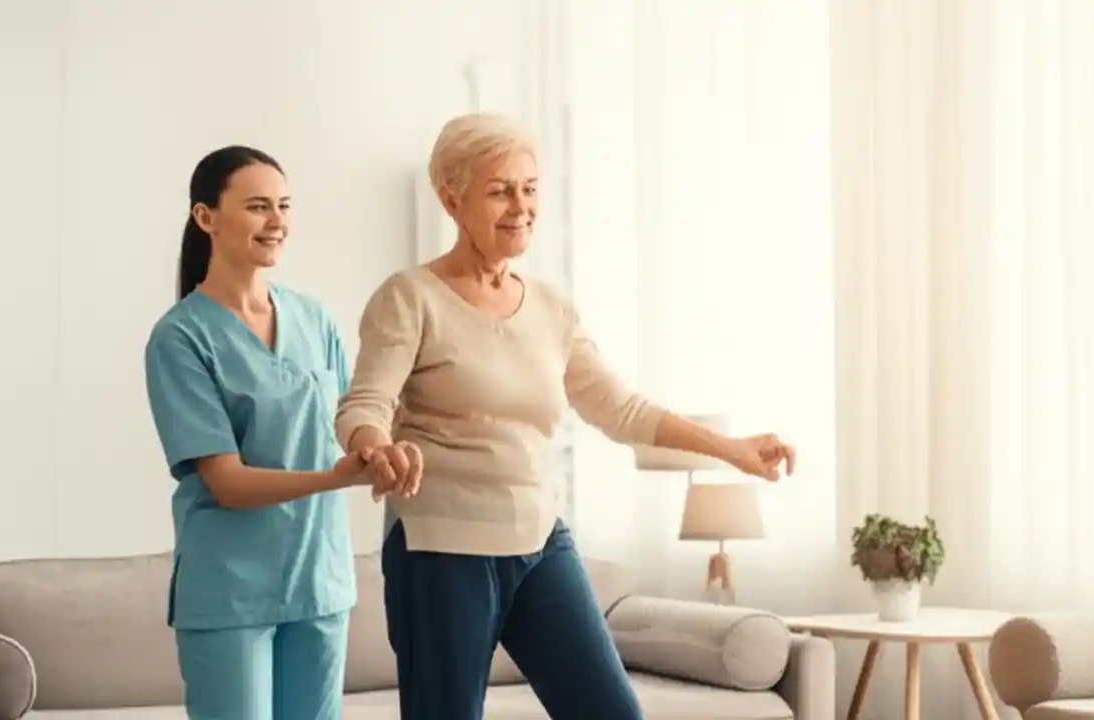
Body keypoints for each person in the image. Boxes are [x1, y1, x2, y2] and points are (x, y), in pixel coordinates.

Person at [334, 113, 798, 720]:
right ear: (452, 198)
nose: (520, 206)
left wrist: (730, 448)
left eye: (529, 188)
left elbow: (621, 408)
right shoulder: (411, 297)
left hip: (538, 542)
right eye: (500, 190)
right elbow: (366, 402)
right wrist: (376, 445)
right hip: (440, 549)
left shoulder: (550, 307)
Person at [144, 146, 383, 720]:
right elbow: (226, 482)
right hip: (231, 592)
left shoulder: (313, 318)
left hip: (320, 580)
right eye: (257, 206)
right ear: (207, 217)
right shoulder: (180, 338)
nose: (276, 221)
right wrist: (335, 477)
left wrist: (377, 447)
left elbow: (349, 419)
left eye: (284, 205)